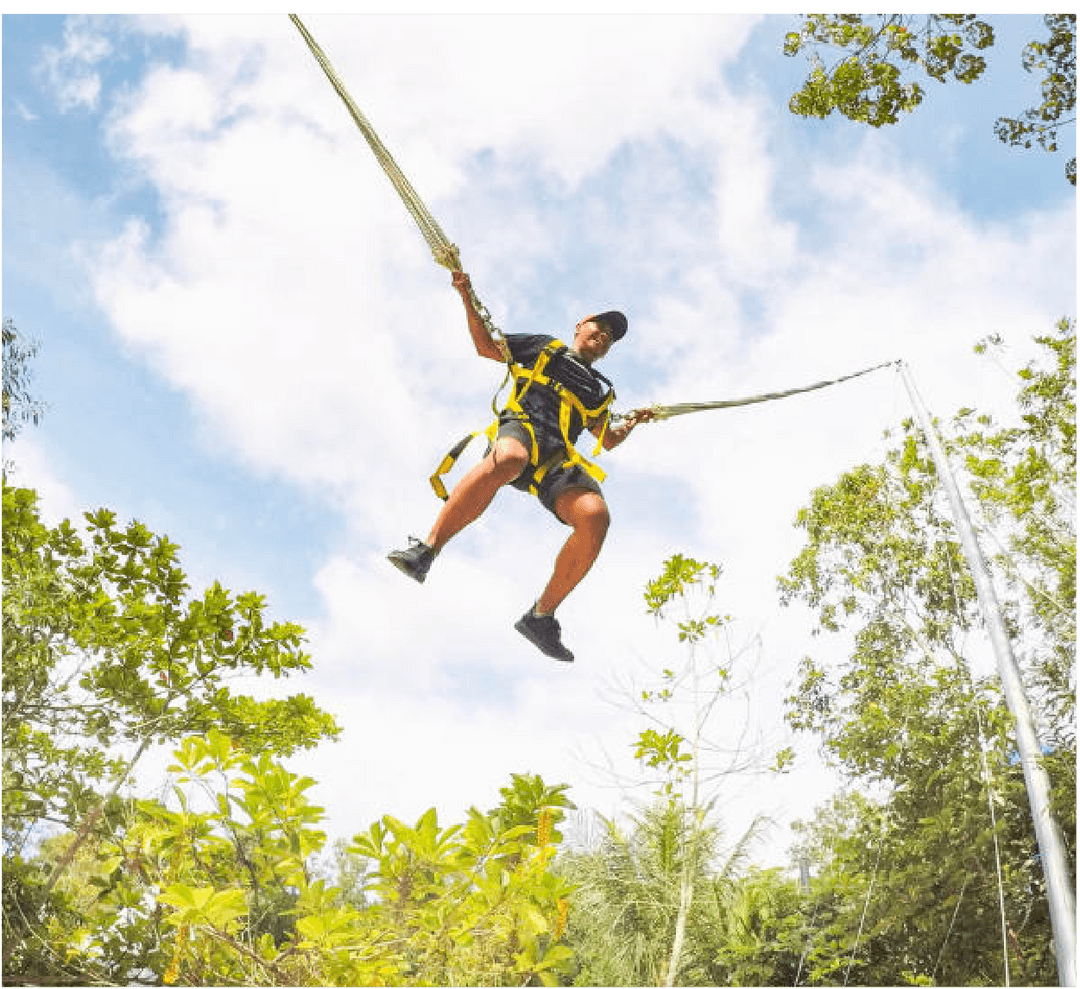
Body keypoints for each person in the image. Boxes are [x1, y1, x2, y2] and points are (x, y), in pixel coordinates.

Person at [388, 270, 652, 662]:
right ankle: (427, 550)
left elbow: (606, 439)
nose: (603, 336)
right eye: (599, 327)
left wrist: (631, 422)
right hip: (522, 430)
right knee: (510, 459)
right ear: (580, 325)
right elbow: (486, 347)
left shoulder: (601, 390)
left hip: (556, 458)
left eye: (610, 338)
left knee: (595, 517)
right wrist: (466, 297)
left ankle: (541, 617)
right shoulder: (545, 348)